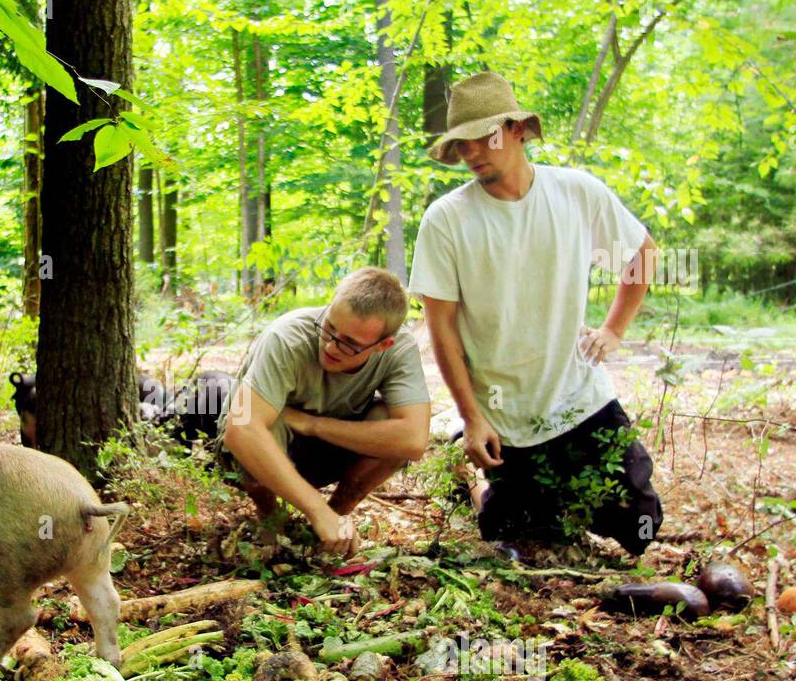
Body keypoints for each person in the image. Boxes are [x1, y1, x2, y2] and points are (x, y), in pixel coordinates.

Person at [410, 71, 663, 556]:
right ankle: (472, 476)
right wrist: (473, 415)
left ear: (517, 130)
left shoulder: (575, 193)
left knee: (641, 528)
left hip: (578, 396)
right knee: (518, 537)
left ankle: (531, 484)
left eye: (484, 137)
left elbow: (643, 254)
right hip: (505, 413)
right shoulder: (446, 220)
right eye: (460, 145)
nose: (473, 153)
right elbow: (440, 326)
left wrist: (613, 329)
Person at [217, 267, 431, 555]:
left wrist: (311, 424)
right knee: (261, 423)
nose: (330, 346)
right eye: (329, 327)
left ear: (383, 345)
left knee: (391, 420)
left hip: (326, 445)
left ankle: (335, 517)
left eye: (349, 344)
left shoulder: (401, 350)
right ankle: (273, 521)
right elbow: (241, 429)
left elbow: (413, 440)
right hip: (269, 450)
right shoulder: (287, 337)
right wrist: (315, 509)